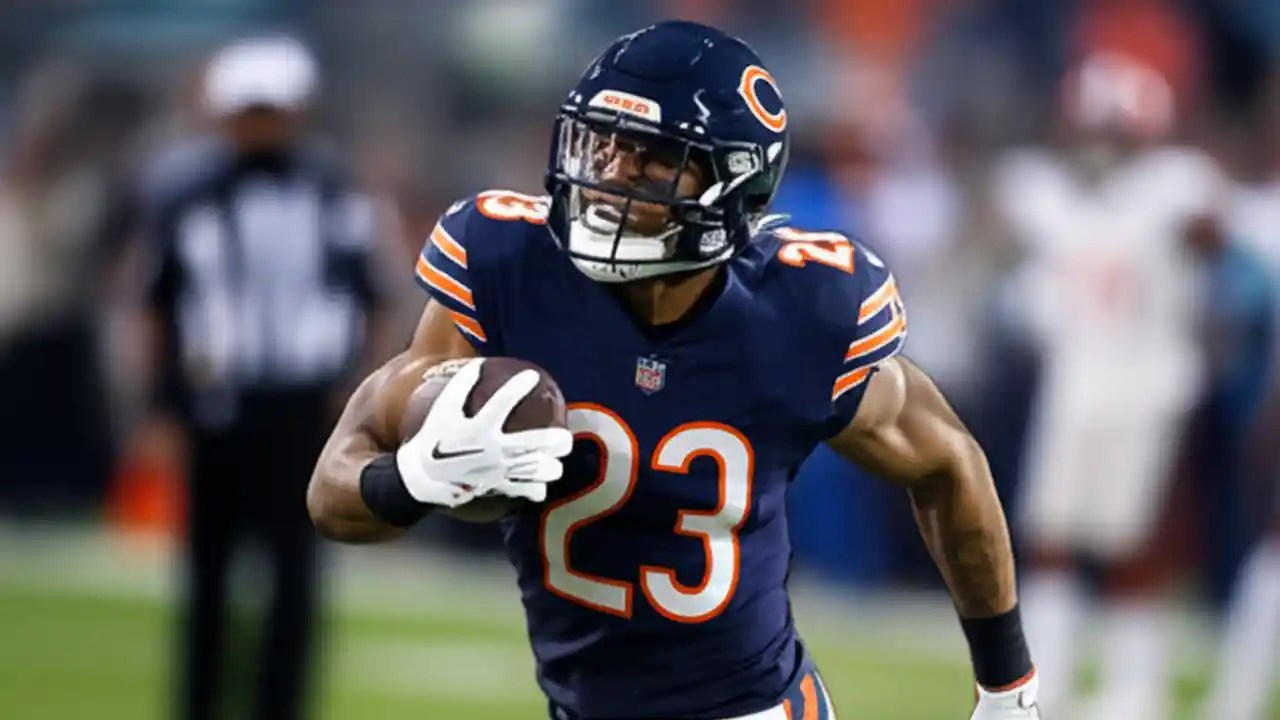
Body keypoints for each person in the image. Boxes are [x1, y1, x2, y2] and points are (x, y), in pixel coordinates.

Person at [309, 21, 1038, 719]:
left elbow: (946, 462)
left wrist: (1007, 685)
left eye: (652, 158)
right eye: (602, 145)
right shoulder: (508, 263)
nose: (610, 177)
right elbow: (332, 486)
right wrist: (410, 481)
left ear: (734, 185)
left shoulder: (801, 312)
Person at [141, 37, 386, 720]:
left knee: (296, 575)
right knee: (207, 574)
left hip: (306, 406)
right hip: (217, 401)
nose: (260, 126)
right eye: (248, 111)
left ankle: (281, 707)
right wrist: (162, 405)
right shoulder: (185, 192)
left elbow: (373, 292)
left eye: (271, 110)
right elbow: (158, 304)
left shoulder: (335, 190)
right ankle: (199, 703)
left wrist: (359, 394)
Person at [992, 53, 1222, 719]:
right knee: (1050, 535)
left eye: (1109, 127)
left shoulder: (1176, 184)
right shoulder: (1048, 192)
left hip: (1149, 386)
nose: (1096, 140)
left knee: (1134, 542)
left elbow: (1210, 229)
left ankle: (1135, 687)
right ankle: (1048, 677)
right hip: (1075, 385)